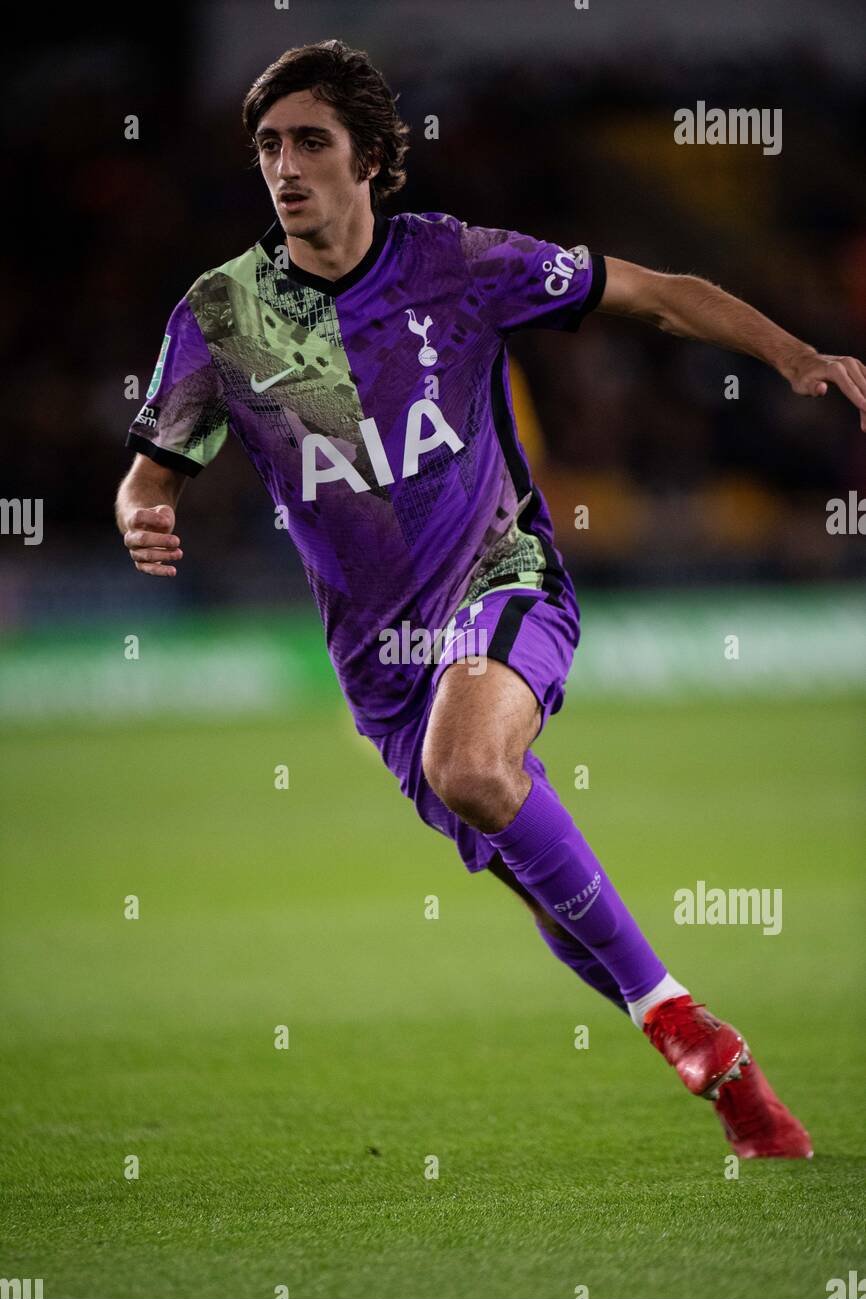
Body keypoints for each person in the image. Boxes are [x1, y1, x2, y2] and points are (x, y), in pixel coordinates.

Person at [116, 40, 866, 1159]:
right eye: (268, 145)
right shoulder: (222, 314)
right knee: (536, 877)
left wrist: (791, 351)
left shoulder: (455, 263)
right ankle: (724, 1075)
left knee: (470, 765)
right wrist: (140, 507)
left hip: (501, 580)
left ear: (369, 157)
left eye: (310, 141)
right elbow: (153, 466)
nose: (285, 166)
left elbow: (654, 297)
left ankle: (680, 1025)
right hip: (382, 666)